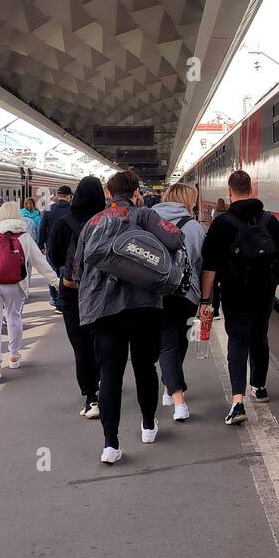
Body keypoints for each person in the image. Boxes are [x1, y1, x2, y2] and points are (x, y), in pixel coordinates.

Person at [70, 170, 183, 464]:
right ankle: (148, 426)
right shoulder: (145, 216)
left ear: (109, 193)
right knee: (145, 366)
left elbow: (76, 270)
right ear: (136, 192)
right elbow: (175, 240)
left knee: (110, 373)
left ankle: (111, 444)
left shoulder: (93, 222)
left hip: (104, 309)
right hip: (144, 304)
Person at [199, 170, 279, 426]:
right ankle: (259, 387)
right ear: (252, 189)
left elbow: (210, 267)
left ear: (230, 192)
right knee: (259, 338)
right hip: (264, 293)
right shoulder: (269, 220)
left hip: (234, 293)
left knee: (237, 342)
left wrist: (206, 301)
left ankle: (237, 401)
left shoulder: (221, 223)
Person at [0, 201, 57, 382]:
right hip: (16, 284)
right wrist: (55, 281)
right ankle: (14, 354)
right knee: (14, 317)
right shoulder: (24, 235)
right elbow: (40, 261)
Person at [46, 176, 105, 419]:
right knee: (101, 340)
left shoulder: (63, 223)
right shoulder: (107, 222)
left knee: (80, 346)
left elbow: (56, 259)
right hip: (103, 291)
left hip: (72, 290)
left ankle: (91, 398)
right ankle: (103, 381)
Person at [154, 183, 206, 423]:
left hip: (157, 293)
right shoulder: (194, 227)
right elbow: (200, 263)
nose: (195, 204)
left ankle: (169, 388)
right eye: (193, 199)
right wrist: (207, 299)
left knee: (168, 344)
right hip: (187, 294)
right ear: (186, 200)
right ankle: (179, 402)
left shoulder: (149, 221)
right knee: (178, 341)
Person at [38, 185, 73, 310]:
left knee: (52, 274)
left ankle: (55, 299)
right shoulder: (72, 210)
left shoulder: (48, 209)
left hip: (51, 247)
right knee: (66, 274)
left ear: (58, 196)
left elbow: (42, 229)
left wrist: (41, 245)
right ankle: (64, 300)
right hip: (69, 248)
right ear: (69, 196)